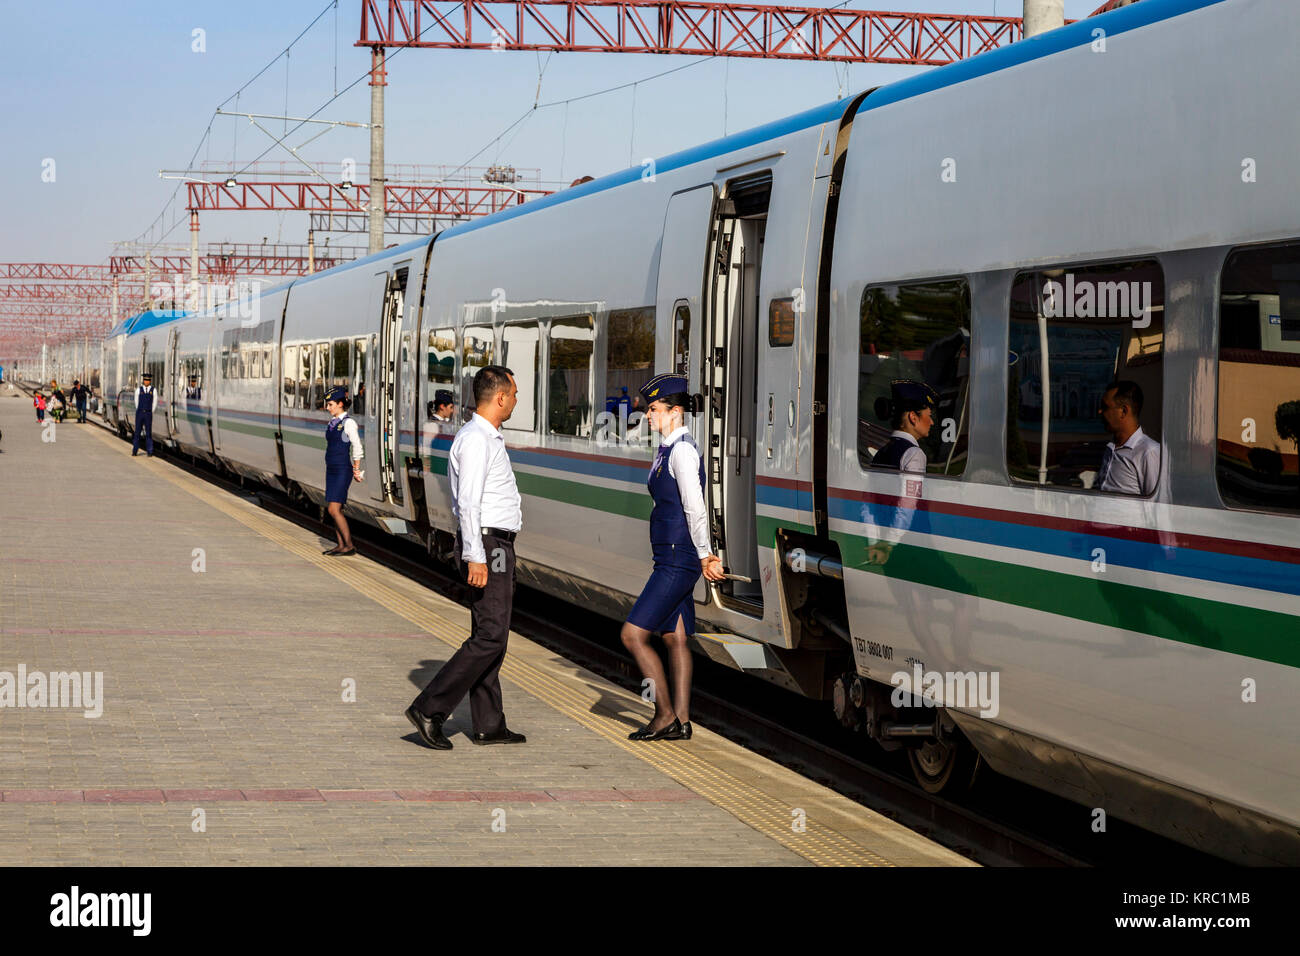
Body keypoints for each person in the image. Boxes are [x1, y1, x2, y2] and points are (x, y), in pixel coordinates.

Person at [406, 365, 526, 750]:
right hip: (488, 547)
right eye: (515, 393)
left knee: (489, 635)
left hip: (493, 545)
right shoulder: (476, 440)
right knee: (491, 636)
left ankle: (489, 723)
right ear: (501, 397)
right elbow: (469, 505)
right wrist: (476, 556)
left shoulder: (486, 437)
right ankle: (428, 709)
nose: (516, 400)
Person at [622, 373, 725, 742]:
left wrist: (705, 556)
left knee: (633, 635)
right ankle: (681, 720)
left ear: (675, 411)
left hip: (677, 558)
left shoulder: (681, 451)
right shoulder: (667, 448)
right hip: (670, 555)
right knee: (675, 638)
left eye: (653, 409)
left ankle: (663, 714)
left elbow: (695, 508)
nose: (647, 416)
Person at [1098, 380, 1161, 496]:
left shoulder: (1149, 452)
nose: (1099, 411)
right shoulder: (1110, 448)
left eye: (1105, 407)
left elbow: (1158, 506)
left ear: (1123, 411)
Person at [322, 386, 364, 556]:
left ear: (340, 404)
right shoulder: (332, 423)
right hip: (331, 469)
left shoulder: (349, 423)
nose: (327, 407)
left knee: (334, 509)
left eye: (330, 404)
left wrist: (356, 468)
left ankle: (349, 545)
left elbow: (357, 446)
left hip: (341, 470)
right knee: (334, 509)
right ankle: (340, 545)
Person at [870, 379, 939, 472]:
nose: (932, 422)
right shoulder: (914, 454)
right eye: (929, 415)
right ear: (913, 417)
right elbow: (913, 486)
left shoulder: (882, 451)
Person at [132, 372, 157, 457]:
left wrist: (150, 411)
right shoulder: (139, 390)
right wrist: (140, 410)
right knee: (137, 432)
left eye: (148, 380)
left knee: (148, 433)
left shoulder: (153, 390)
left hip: (148, 414)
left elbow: (155, 403)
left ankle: (149, 451)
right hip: (139, 413)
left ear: (150, 381)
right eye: (145, 380)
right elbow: (136, 402)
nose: (147, 382)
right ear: (143, 381)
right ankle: (135, 450)